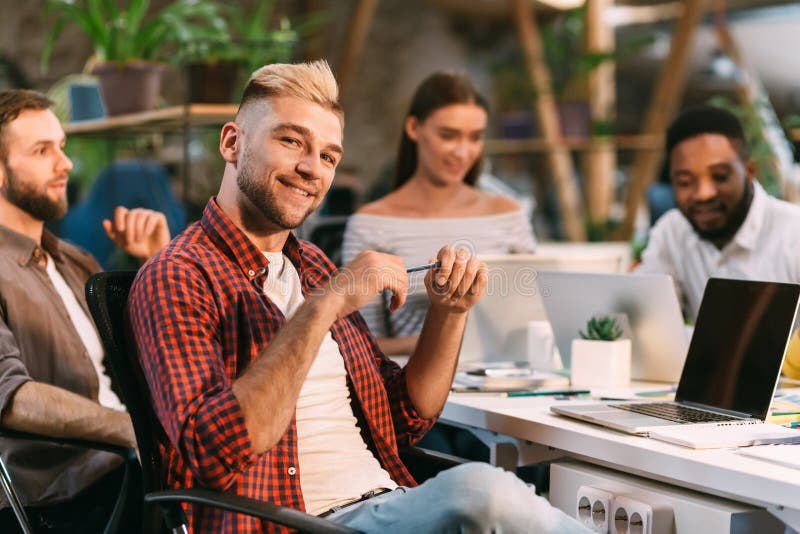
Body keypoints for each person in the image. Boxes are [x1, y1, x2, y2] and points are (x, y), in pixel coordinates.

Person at [128, 61, 589, 534]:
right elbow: (216, 452)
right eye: (291, 141)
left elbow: (401, 417)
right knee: (483, 492)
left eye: (329, 156)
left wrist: (448, 313)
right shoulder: (178, 275)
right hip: (297, 522)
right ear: (232, 142)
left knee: (488, 495)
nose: (311, 168)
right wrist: (326, 304)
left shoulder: (312, 265)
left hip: (386, 503)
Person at [0, 89, 171, 532]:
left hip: (134, 472)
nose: (65, 164)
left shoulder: (76, 261)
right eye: (42, 151)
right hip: (65, 497)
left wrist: (156, 261)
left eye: (61, 146)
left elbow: (155, 362)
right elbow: (10, 397)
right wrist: (134, 429)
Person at [342, 72, 536, 356]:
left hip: (507, 380)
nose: (462, 152)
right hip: (410, 383)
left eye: (475, 138)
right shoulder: (371, 223)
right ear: (413, 128)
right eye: (448, 135)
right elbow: (361, 343)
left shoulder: (508, 213)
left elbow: (534, 319)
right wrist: (450, 335)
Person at [636, 105, 800, 323]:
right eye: (685, 182)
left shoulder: (794, 234)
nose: (703, 194)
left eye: (720, 176)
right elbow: (645, 316)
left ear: (749, 172)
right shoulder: (673, 232)